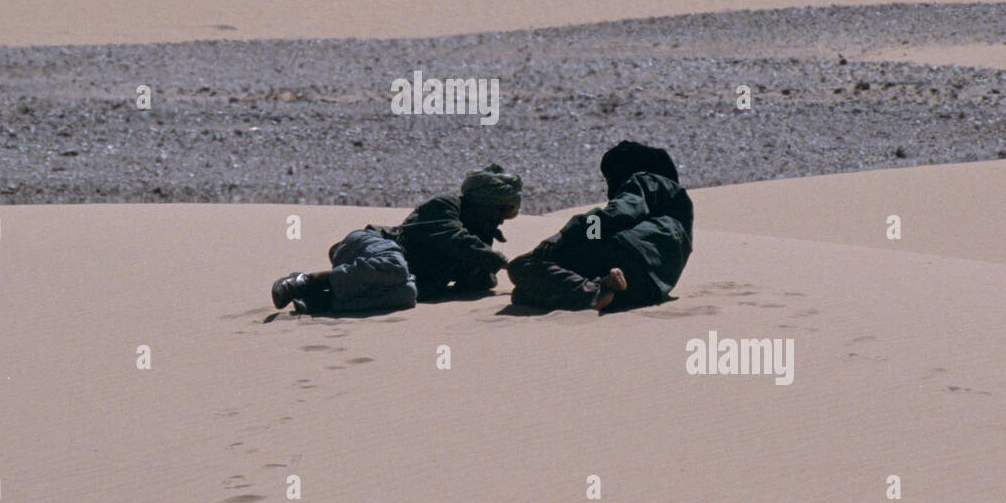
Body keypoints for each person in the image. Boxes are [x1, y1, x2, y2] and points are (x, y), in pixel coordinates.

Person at [271, 163, 522, 315]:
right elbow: (455, 239)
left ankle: (319, 302)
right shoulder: (446, 205)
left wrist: (482, 274)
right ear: (483, 202)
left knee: (406, 294)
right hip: (371, 243)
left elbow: (474, 279)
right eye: (499, 210)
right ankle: (305, 280)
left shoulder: (479, 238)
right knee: (394, 266)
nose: (501, 220)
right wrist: (504, 263)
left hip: (393, 274)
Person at [507, 141, 692, 312]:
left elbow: (616, 214)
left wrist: (565, 236)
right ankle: (603, 287)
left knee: (522, 265)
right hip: (649, 288)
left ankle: (594, 293)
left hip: (624, 254)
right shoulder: (679, 207)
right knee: (523, 294)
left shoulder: (647, 182)